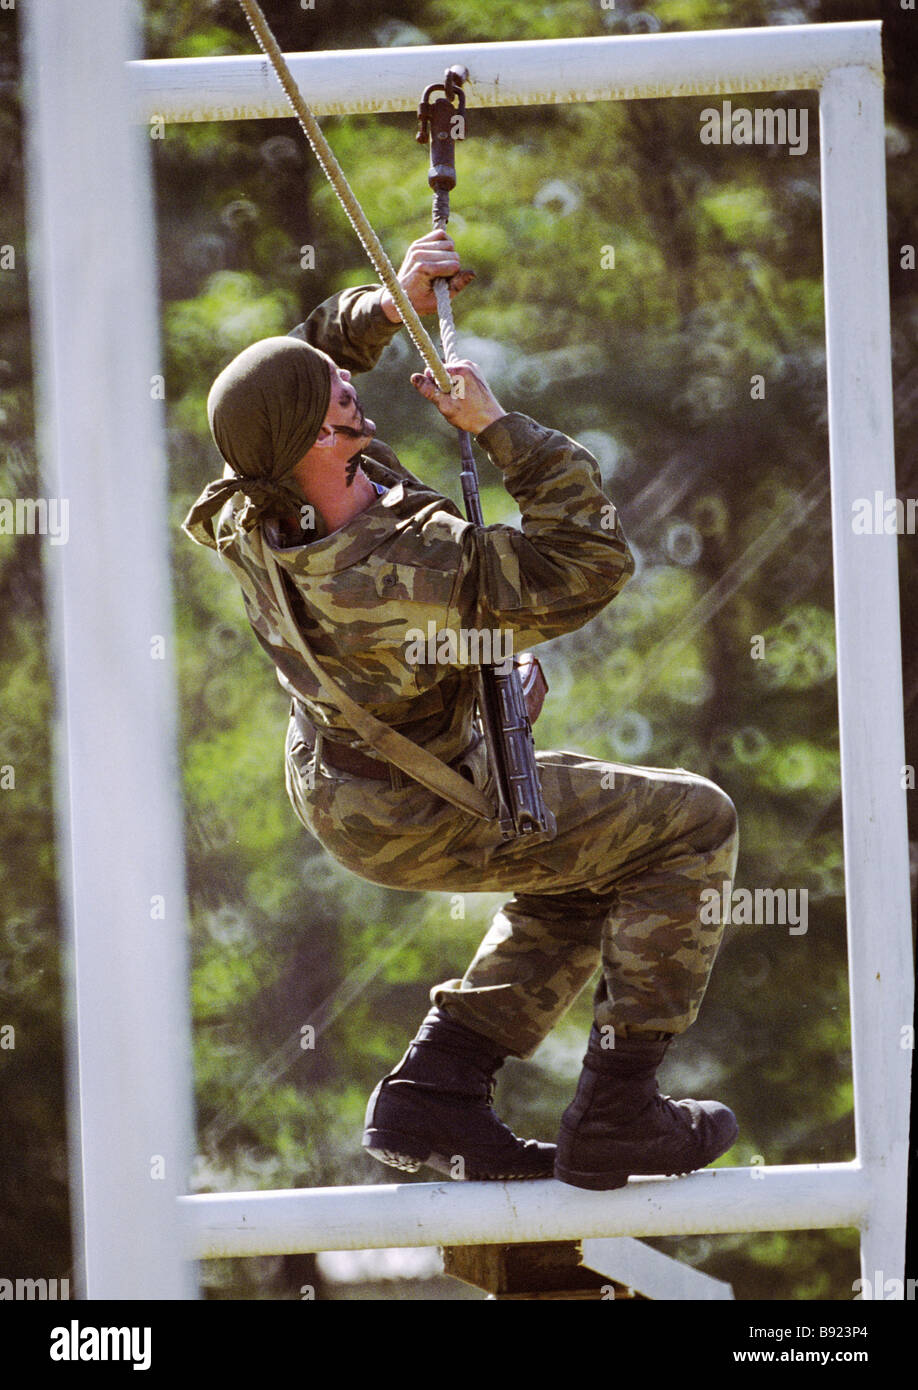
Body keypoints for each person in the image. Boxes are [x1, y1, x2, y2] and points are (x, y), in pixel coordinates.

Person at [183, 229, 740, 1189]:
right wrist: (496, 429)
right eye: (341, 397)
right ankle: (617, 1110)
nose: (351, 384)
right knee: (690, 824)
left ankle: (434, 1095)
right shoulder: (406, 564)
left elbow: (289, 367)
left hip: (354, 776)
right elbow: (590, 562)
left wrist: (387, 304)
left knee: (587, 864)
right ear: (321, 436)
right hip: (411, 809)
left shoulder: (250, 498)